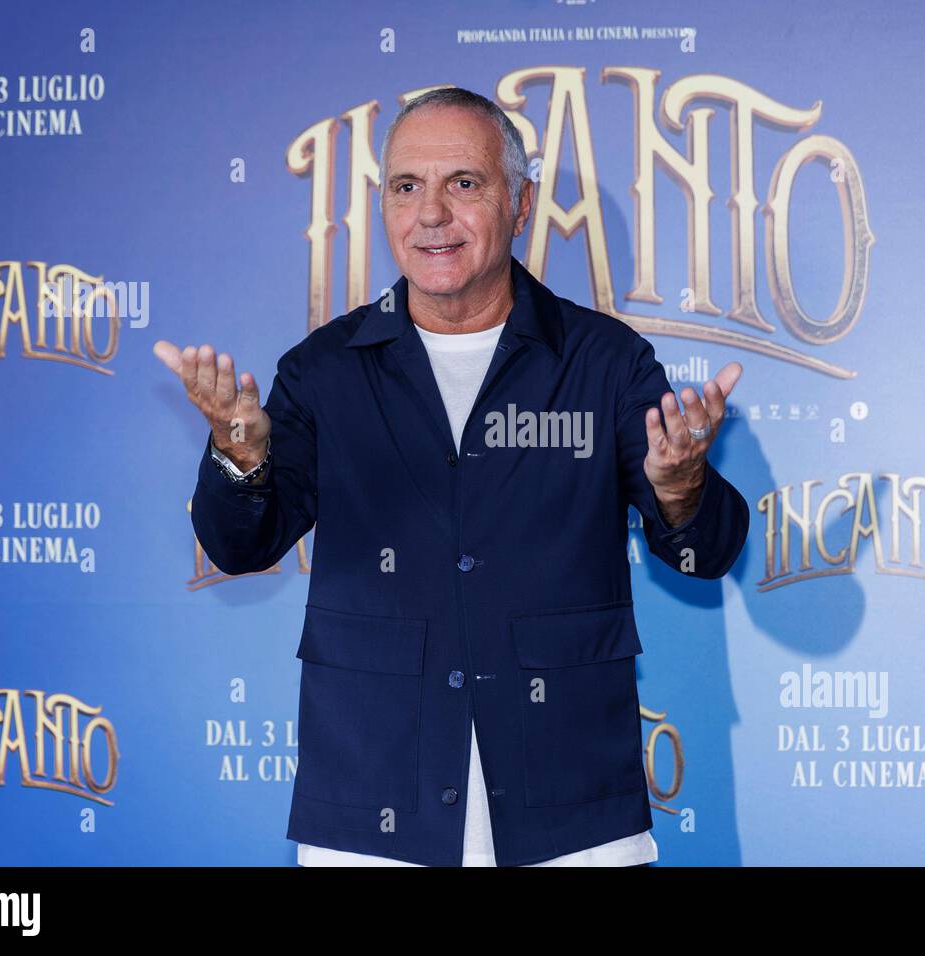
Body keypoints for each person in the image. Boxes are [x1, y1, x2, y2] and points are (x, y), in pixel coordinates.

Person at [154, 87, 749, 866]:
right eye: (407, 187)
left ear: (521, 201)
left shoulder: (605, 362)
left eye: (463, 183)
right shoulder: (322, 373)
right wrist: (240, 456)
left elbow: (704, 554)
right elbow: (240, 546)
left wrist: (680, 489)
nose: (431, 213)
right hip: (373, 811)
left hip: (573, 817)